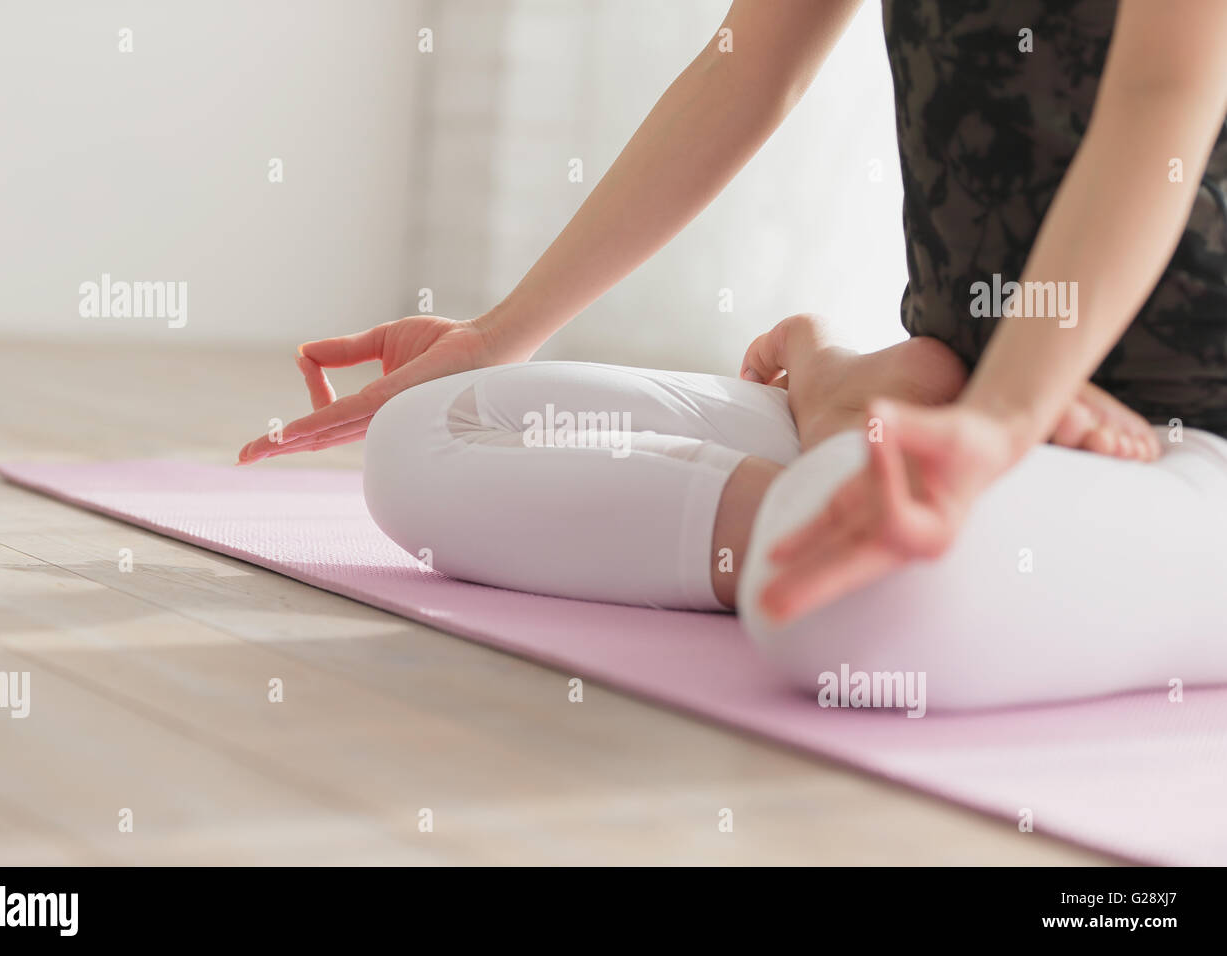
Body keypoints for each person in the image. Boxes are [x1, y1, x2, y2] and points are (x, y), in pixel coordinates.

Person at [239, 0, 1227, 709]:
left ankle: (851, 443)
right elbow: (744, 65)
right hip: (959, 402)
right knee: (428, 437)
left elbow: (1161, 95)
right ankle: (855, 464)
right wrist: (497, 334)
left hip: (1191, 445)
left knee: (858, 621)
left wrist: (1006, 415)